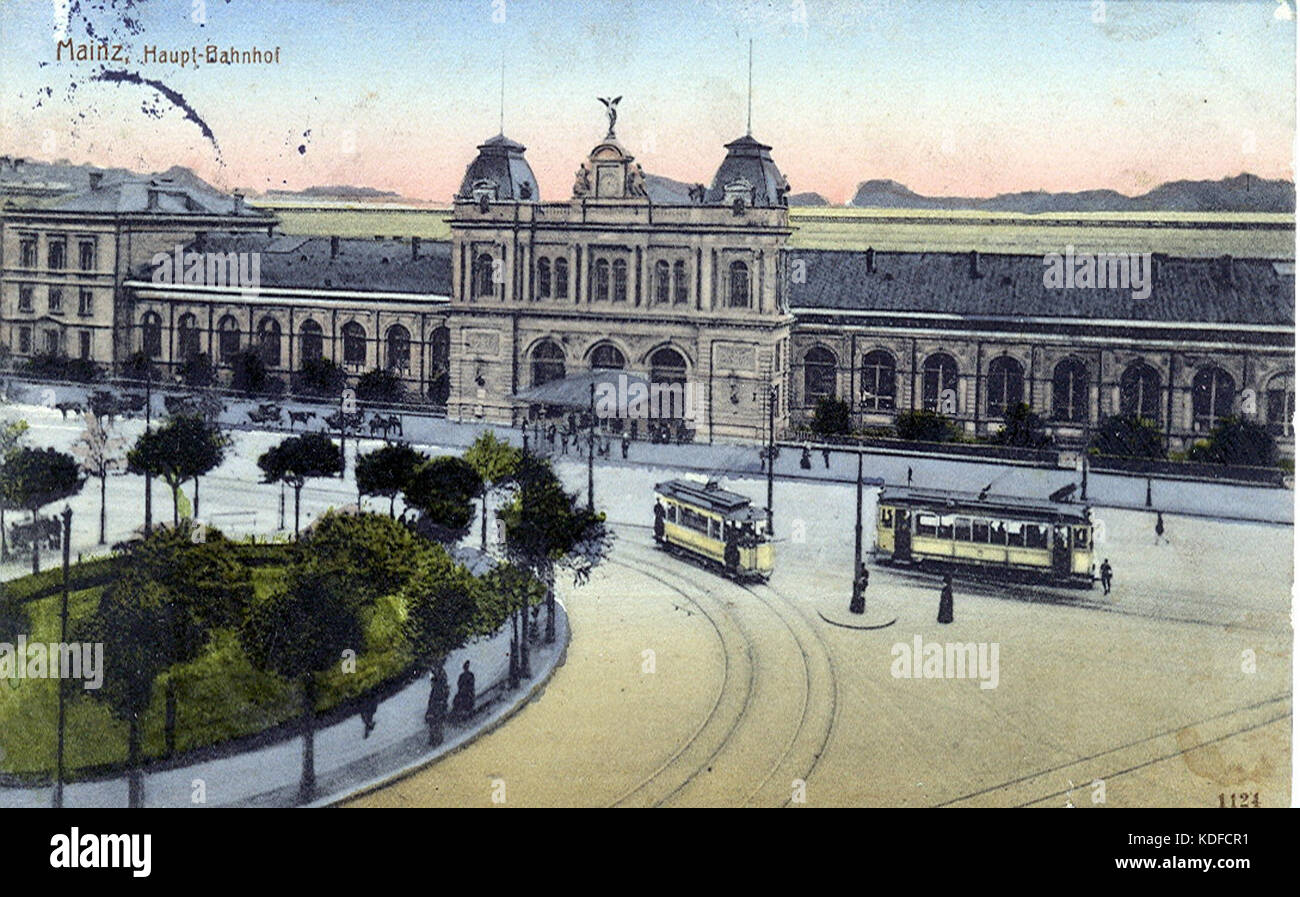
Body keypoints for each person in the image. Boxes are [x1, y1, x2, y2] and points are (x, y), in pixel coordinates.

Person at [425, 667, 450, 745]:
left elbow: (438, 702)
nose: (431, 683)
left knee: (436, 722)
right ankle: (435, 738)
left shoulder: (439, 689)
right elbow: (431, 702)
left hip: (438, 709)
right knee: (434, 722)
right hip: (436, 709)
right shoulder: (435, 690)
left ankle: (437, 739)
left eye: (432, 681)